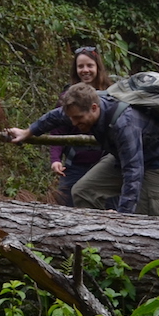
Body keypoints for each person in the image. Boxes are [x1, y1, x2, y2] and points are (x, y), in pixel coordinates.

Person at [7, 80, 159, 216]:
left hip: (157, 164)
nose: (73, 123)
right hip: (123, 155)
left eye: (78, 118)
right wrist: (27, 132)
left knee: (145, 219)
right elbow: (55, 117)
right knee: (83, 192)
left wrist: (123, 216)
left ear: (94, 108)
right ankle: (96, 245)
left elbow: (133, 172)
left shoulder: (124, 124)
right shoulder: (81, 109)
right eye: (71, 118)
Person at [48, 48, 110, 206]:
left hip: (106, 165)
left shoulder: (110, 94)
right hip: (75, 165)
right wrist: (55, 159)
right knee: (66, 208)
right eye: (80, 66)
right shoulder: (67, 97)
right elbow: (58, 130)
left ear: (97, 67)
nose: (85, 70)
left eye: (90, 65)